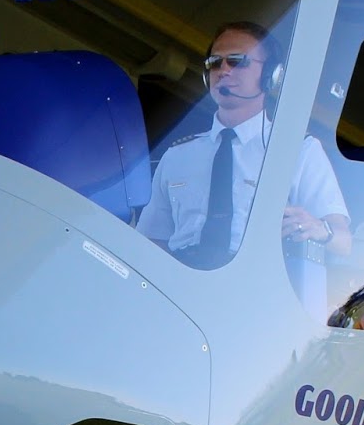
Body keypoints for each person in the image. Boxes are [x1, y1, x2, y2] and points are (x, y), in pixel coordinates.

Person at [138, 23, 351, 288]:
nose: (224, 70)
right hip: (179, 286)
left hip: (255, 289)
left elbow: (344, 242)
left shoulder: (298, 151)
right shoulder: (177, 155)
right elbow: (149, 241)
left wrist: (319, 229)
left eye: (237, 61)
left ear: (271, 75)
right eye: (215, 63)